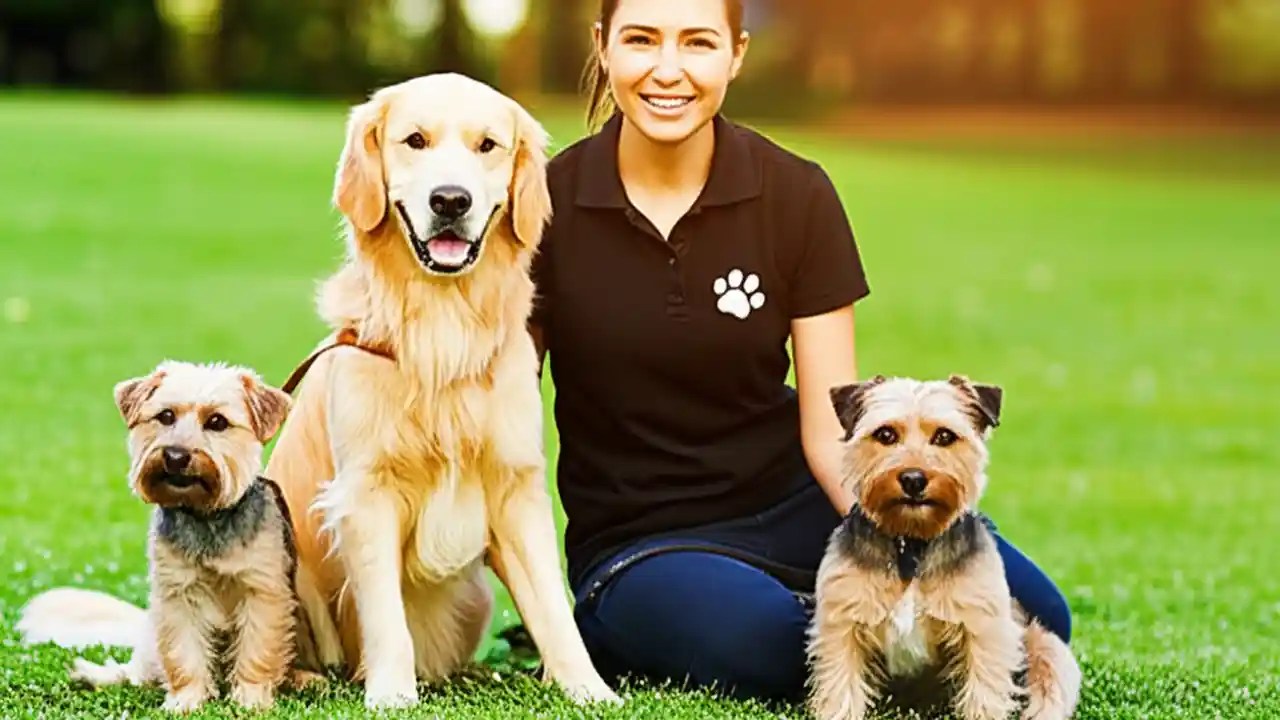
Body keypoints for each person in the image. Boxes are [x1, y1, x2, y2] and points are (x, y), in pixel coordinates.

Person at [526, 0, 1072, 704]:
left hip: (796, 503)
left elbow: (828, 430)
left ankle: (840, 614)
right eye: (641, 39)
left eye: (697, 42)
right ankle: (636, 623)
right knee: (783, 647)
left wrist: (907, 554)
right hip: (644, 539)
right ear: (603, 46)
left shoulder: (795, 192)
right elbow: (499, 415)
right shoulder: (543, 204)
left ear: (737, 53)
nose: (668, 69)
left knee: (1032, 615)